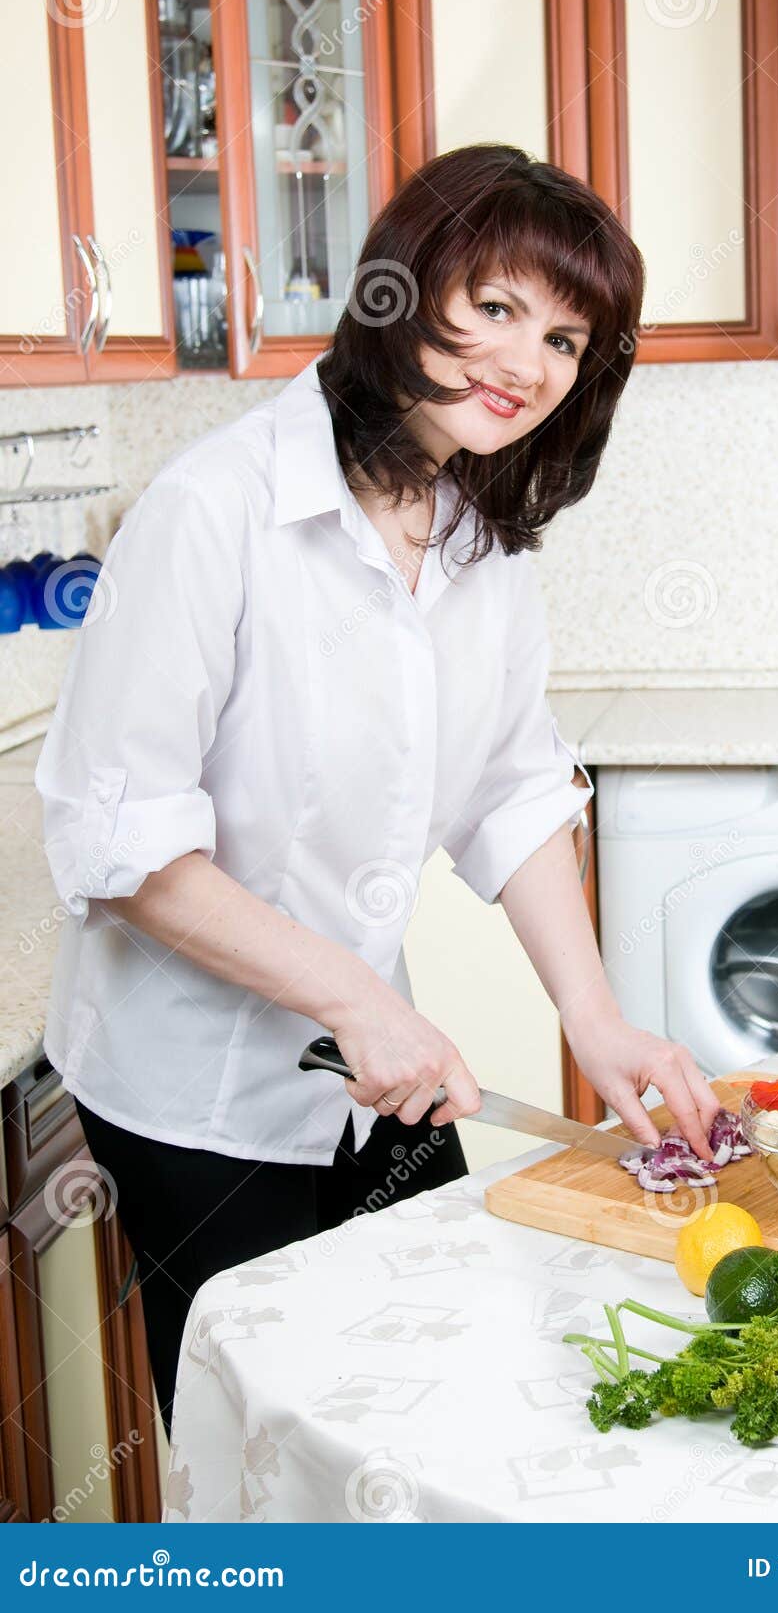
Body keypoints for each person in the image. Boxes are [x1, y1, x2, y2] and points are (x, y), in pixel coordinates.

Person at [34, 143, 720, 1437]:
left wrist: (600, 1022)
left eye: (568, 339)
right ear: (405, 289)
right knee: (271, 1437)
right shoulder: (213, 511)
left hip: (371, 1073)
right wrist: (356, 996)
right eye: (500, 307)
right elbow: (121, 840)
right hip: (202, 1093)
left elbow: (512, 788)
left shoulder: (477, 535)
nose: (529, 363)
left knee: (431, 1384)